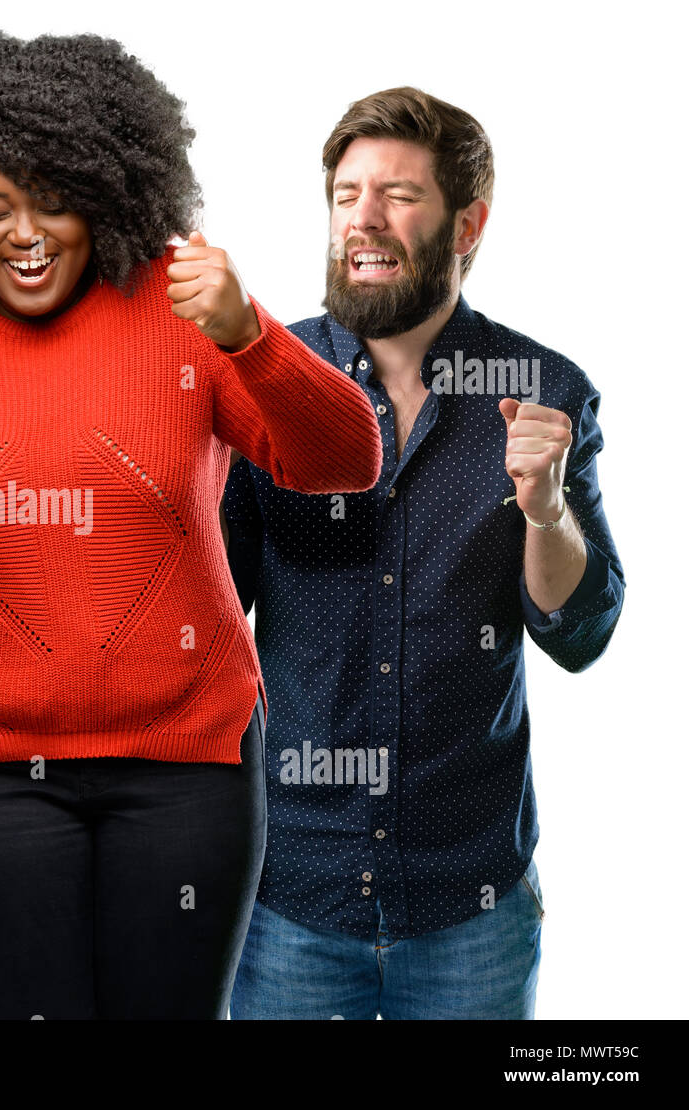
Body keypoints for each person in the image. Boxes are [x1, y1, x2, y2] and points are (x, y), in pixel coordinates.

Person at [0, 30, 383, 1019]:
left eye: (54, 200)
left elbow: (345, 462)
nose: (26, 232)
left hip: (186, 772)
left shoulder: (185, 307)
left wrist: (248, 335)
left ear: (105, 192)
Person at [224, 87, 625, 1020]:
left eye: (397, 196)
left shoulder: (544, 390)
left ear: (468, 222)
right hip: (293, 900)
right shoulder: (265, 383)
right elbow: (205, 606)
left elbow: (582, 631)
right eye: (345, 194)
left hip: (470, 909)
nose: (362, 220)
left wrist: (544, 507)